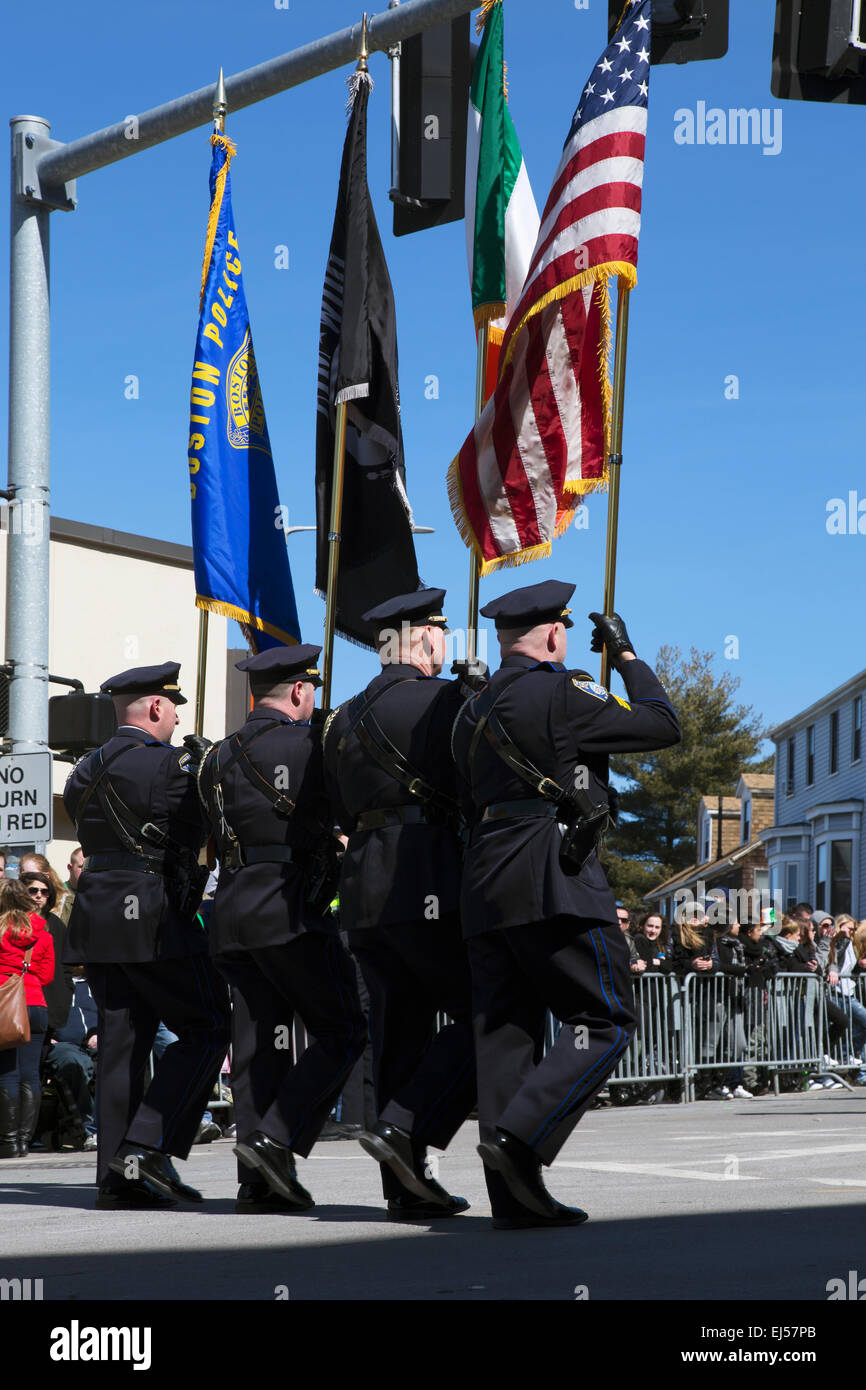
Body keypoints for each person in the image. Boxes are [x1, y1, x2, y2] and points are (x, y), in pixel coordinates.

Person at [452, 583, 681, 1228]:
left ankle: (514, 1196)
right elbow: (662, 725)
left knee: (505, 1033)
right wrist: (628, 656)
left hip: (483, 880)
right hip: (551, 872)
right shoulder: (562, 690)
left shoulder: (471, 710)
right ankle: (520, 1138)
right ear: (555, 634)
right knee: (604, 1016)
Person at [323, 589, 480, 1221]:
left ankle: (406, 1187)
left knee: (398, 1033)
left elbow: (336, 810)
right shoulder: (447, 700)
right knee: (484, 1012)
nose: (447, 647)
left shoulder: (337, 718)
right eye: (443, 635)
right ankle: (404, 1124)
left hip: (364, 886)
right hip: (429, 875)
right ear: (424, 639)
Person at [198, 644, 366, 1215]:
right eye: (311, 692)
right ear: (299, 691)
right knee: (342, 1029)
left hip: (233, 914)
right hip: (290, 910)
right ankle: (279, 1136)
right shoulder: (312, 744)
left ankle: (258, 1179)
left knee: (257, 1048)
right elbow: (349, 815)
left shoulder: (216, 756)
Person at [63, 661, 231, 1210]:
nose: (177, 715)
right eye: (173, 706)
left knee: (120, 1049)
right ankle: (148, 1144)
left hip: (98, 917)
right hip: (153, 912)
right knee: (208, 1025)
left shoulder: (82, 770)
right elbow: (207, 828)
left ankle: (121, 1177)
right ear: (157, 707)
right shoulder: (169, 764)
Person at [0, 879, 55, 1157]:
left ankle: (8, 1142)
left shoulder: (0, 930)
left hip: (6, 1006)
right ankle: (24, 1140)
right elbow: (47, 977)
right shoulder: (43, 933)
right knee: (30, 1073)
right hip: (35, 1004)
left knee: (7, 1072)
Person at [19, 870, 74, 1038]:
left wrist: (66, 993)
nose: (39, 896)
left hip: (50, 1005)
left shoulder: (56, 925)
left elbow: (65, 968)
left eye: (44, 891)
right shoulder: (12, 921)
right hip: (18, 1001)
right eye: (33, 890)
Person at [18, 851, 74, 926]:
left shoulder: (65, 902)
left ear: (46, 877)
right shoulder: (13, 901)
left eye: (33, 876)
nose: (28, 880)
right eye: (24, 876)